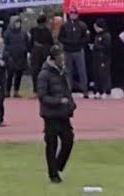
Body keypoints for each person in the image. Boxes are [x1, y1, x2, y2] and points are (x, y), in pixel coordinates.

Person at [37, 46, 76, 184]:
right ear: (54, 59)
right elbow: (42, 96)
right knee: (51, 144)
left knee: (68, 140)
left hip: (63, 114)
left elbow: (67, 91)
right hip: (50, 115)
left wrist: (71, 104)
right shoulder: (44, 74)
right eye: (61, 58)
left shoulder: (63, 72)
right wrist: (58, 101)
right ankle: (53, 174)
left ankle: (58, 165)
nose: (63, 61)